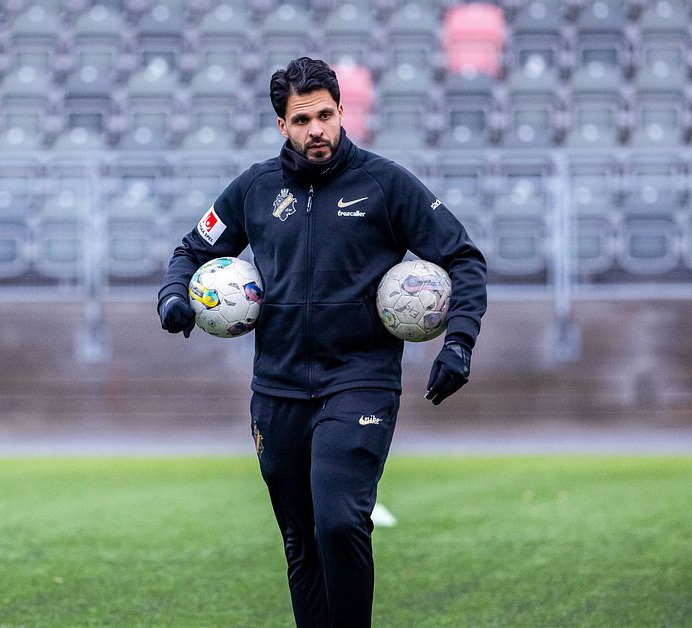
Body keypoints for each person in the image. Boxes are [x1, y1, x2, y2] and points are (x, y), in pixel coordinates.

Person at [157, 57, 487, 627]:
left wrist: (458, 341)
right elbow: (191, 250)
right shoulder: (256, 190)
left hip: (360, 382)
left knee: (338, 520)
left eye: (327, 116)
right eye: (302, 119)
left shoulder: (386, 184)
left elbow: (463, 257)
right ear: (281, 126)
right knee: (300, 540)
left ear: (342, 112)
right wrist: (172, 296)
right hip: (278, 390)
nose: (317, 130)